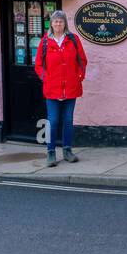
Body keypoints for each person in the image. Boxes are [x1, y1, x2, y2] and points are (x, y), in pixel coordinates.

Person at [33, 9, 87, 167]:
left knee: (68, 120)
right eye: (55, 21)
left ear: (65, 23)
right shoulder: (45, 42)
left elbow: (82, 61)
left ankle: (67, 150)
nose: (58, 24)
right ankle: (50, 152)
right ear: (52, 23)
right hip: (52, 89)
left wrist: (78, 77)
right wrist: (46, 78)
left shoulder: (73, 40)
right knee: (53, 121)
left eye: (61, 21)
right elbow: (38, 65)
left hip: (71, 88)